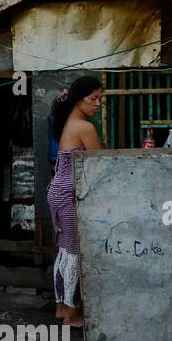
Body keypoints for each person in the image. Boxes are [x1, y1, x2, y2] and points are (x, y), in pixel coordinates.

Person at [46, 77, 103, 327]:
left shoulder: (70, 123)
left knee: (64, 251)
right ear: (79, 100)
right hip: (69, 194)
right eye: (94, 98)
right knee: (74, 253)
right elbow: (99, 162)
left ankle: (61, 307)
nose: (98, 103)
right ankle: (72, 314)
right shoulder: (84, 127)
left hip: (58, 191)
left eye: (101, 98)